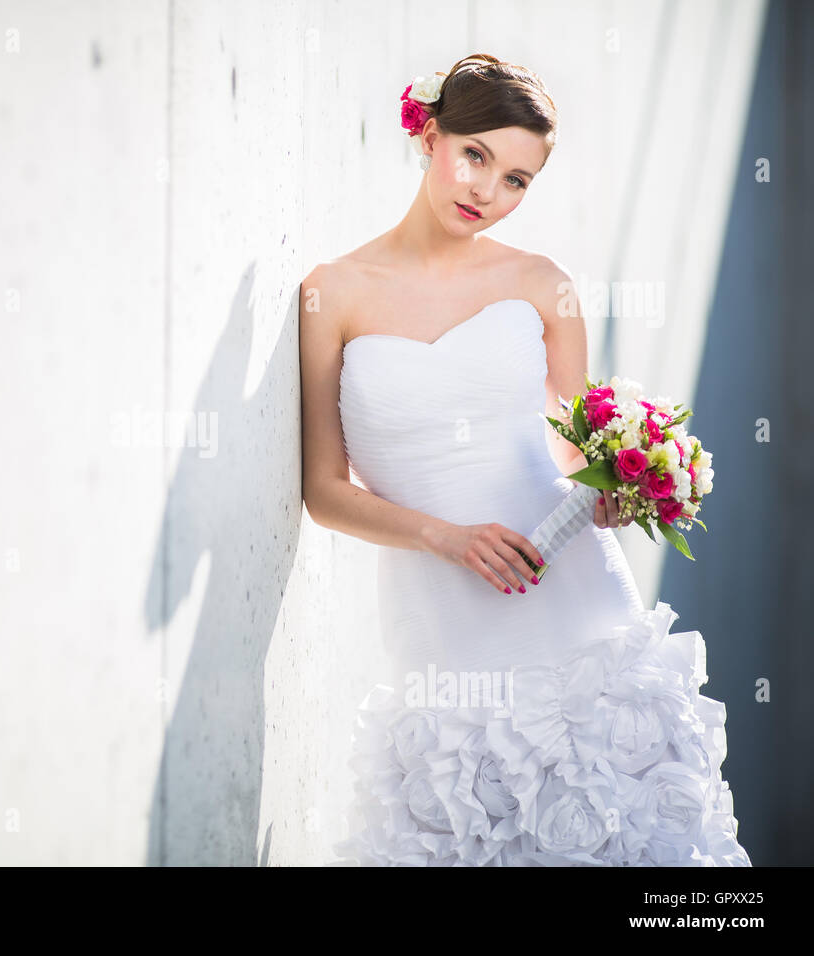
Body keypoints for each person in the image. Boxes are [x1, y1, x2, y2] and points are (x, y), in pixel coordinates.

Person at [300, 53, 750, 866]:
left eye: (516, 180)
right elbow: (324, 491)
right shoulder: (333, 292)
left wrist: (618, 487)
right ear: (430, 134)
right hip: (440, 616)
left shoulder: (545, 284)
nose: (486, 192)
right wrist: (445, 536)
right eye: (475, 156)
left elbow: (578, 450)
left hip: (568, 594)